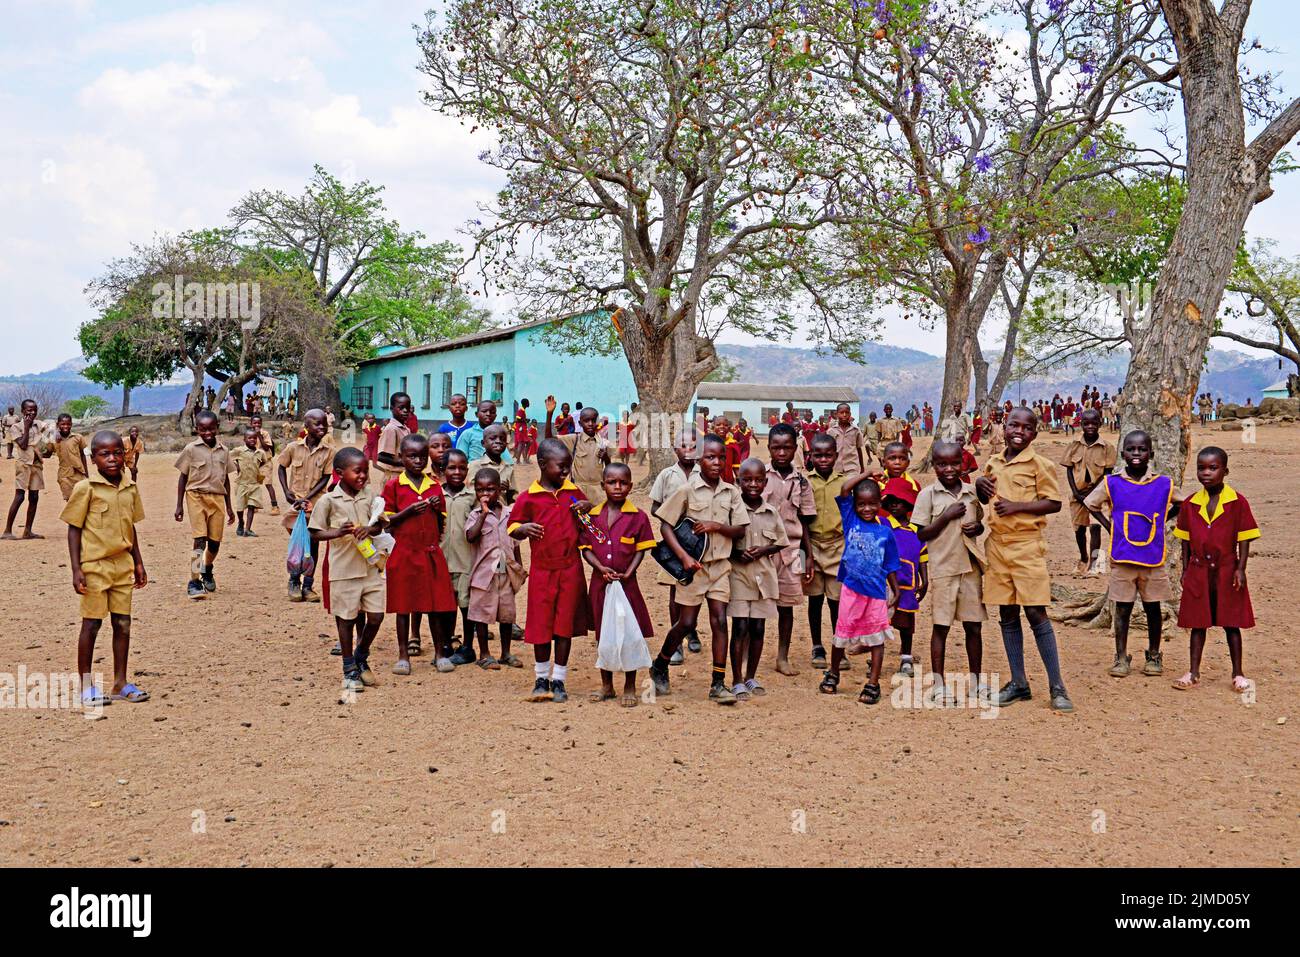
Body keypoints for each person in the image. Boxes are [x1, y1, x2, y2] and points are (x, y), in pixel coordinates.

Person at [975, 407, 1073, 712]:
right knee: (1007, 613)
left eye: (1026, 428)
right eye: (1013, 425)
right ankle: (1019, 682)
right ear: (1004, 428)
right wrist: (979, 486)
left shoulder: (1039, 464)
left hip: (1027, 546)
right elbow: (985, 498)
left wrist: (1018, 507)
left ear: (1035, 433)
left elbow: (1054, 503)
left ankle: (1057, 686)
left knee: (1035, 613)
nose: (1019, 431)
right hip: (997, 547)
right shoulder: (992, 462)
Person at [648, 433, 749, 705]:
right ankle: (660, 663)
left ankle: (718, 682)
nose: (715, 462)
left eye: (720, 458)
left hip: (720, 568)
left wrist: (717, 526)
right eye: (709, 457)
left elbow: (740, 529)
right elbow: (665, 524)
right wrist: (682, 557)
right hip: (694, 569)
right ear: (699, 460)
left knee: (719, 620)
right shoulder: (686, 490)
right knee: (687, 623)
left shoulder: (731, 492)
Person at [1083, 430, 1181, 679]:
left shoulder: (1164, 484)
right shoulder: (1112, 483)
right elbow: (1090, 504)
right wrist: (1109, 526)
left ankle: (1155, 654)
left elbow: (1184, 502)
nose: (1136, 454)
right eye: (1131, 449)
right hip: (1122, 558)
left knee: (1153, 608)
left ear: (1151, 453)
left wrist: (1163, 522)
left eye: (1142, 449)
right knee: (1123, 608)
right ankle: (1120, 655)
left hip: (1153, 558)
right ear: (1123, 453)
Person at [62, 430, 149, 705]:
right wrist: (77, 569)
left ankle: (120, 682)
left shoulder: (129, 486)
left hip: (123, 565)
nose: (112, 459)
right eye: (104, 454)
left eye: (117, 453)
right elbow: (74, 529)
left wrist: (138, 561)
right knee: (92, 624)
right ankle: (86, 686)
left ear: (124, 456)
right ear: (94, 458)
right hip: (95, 566)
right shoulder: (85, 488)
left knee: (122, 623)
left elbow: (130, 526)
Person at [508, 438, 592, 703]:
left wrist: (587, 508)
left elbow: (589, 523)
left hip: (570, 569)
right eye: (561, 467)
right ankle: (541, 677)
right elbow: (513, 526)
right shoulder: (529, 497)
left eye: (568, 467)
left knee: (563, 626)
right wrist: (523, 529)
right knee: (542, 625)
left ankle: (560, 679)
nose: (566, 472)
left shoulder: (574, 493)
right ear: (543, 465)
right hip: (543, 572)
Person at [1171, 447, 1258, 693]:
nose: (1206, 473)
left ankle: (1238, 673)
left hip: (1227, 569)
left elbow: (1244, 538)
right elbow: (1185, 541)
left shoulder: (1237, 502)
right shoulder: (1190, 504)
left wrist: (1241, 569)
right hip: (1198, 569)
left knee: (1232, 623)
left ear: (1225, 471)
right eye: (1201, 468)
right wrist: (1186, 569)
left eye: (1213, 468)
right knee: (1198, 623)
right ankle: (1193, 671)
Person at [914, 440, 987, 703]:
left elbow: (979, 523)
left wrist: (977, 528)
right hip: (943, 569)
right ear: (934, 466)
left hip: (970, 569)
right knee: (941, 627)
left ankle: (976, 682)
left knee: (974, 627)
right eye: (942, 464)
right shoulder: (928, 496)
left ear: (963, 464)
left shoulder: (971, 493)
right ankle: (938, 684)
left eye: (954, 463)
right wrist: (945, 516)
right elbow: (920, 533)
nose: (949, 469)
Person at [818, 475, 900, 705]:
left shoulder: (885, 532)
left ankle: (873, 683)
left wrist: (896, 589)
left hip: (875, 592)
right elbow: (845, 489)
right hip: (851, 590)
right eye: (861, 504)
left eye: (872, 503)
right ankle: (833, 672)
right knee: (841, 633)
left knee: (876, 638)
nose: (867, 508)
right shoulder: (850, 520)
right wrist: (867, 474)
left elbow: (891, 563)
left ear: (880, 503)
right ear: (854, 506)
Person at [310, 447, 387, 692]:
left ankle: (361, 655)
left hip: (370, 567)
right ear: (340, 473)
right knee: (346, 618)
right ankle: (349, 667)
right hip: (343, 570)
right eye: (358, 472)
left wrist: (369, 529)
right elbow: (316, 532)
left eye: (366, 471)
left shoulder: (368, 495)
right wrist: (338, 532)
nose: (363, 476)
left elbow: (380, 524)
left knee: (376, 616)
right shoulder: (328, 500)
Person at [580, 462, 656, 706]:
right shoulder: (592, 517)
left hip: (627, 585)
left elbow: (639, 551)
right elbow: (586, 550)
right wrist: (600, 568)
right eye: (612, 482)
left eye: (623, 482)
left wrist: (628, 573)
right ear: (603, 485)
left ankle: (630, 686)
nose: (617, 487)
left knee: (630, 633)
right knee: (605, 635)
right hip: (601, 585)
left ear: (631, 486)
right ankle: (607, 685)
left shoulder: (638, 517)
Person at [383, 434, 458, 675]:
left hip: (429, 552)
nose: (417, 461)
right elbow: (386, 521)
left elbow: (441, 522)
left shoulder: (434, 485)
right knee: (403, 606)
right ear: (401, 458)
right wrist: (408, 511)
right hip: (404, 552)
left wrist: (435, 508)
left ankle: (439, 653)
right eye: (412, 456)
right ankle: (403, 654)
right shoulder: (394, 485)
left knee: (436, 606)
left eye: (422, 457)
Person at [728, 457, 789, 700]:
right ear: (738, 481)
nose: (753, 484)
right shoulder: (732, 510)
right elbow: (723, 540)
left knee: (758, 627)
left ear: (765, 482)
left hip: (764, 579)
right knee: (740, 627)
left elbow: (780, 542)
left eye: (758, 480)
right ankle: (736, 679)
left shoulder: (771, 512)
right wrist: (736, 553)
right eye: (747, 480)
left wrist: (763, 550)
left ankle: (751, 676)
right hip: (739, 576)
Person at [762, 423, 816, 677]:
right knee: (757, 605)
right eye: (776, 447)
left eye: (787, 447)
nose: (781, 452)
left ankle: (782, 656)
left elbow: (805, 522)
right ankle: (753, 653)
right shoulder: (759, 475)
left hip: (793, 551)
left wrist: (809, 558)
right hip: (762, 551)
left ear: (795, 448)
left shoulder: (803, 482)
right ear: (769, 448)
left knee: (788, 605)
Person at [465, 467, 525, 671]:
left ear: (499, 490)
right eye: (480, 490)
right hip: (484, 575)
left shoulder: (510, 514)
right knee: (481, 615)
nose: (485, 494)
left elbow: (515, 543)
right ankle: (484, 654)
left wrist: (519, 568)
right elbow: (471, 536)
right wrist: (483, 514)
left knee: (507, 615)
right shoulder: (474, 515)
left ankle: (506, 653)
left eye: (490, 489)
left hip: (505, 573)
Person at [173, 409, 236, 599]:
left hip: (217, 499)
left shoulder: (224, 451)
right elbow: (182, 477)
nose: (207, 433)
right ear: (197, 429)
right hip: (195, 496)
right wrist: (179, 505)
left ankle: (207, 568)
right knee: (199, 540)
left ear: (217, 428)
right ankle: (194, 580)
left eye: (211, 429)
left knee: (215, 544)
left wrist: (230, 507)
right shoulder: (191, 449)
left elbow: (225, 480)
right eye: (203, 429)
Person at [650, 429, 700, 665]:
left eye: (693, 445)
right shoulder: (667, 475)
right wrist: (675, 522)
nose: (688, 450)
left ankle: (691, 630)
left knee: (698, 589)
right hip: (674, 541)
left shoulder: (705, 473)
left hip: (701, 543)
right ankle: (676, 641)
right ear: (674, 448)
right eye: (683, 445)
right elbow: (655, 508)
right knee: (675, 590)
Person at [277, 409, 334, 602]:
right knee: (299, 544)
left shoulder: (329, 452)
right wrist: (286, 491)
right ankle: (294, 581)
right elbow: (281, 467)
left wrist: (308, 497)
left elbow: (326, 477)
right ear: (306, 426)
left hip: (315, 504)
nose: (322, 427)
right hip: (295, 504)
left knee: (314, 544)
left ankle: (308, 585)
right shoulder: (294, 447)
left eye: (324, 424)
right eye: (317, 424)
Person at [803, 431, 846, 670]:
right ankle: (817, 645)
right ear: (810, 456)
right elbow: (803, 520)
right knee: (815, 600)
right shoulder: (805, 482)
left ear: (836, 455)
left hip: (838, 546)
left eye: (828, 455)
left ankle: (838, 644)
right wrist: (807, 555)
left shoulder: (844, 482)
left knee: (836, 601)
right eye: (817, 455)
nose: (823, 460)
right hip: (813, 546)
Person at [881, 477, 928, 679]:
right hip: (885, 583)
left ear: (908, 504)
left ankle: (906, 656)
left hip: (909, 583)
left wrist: (924, 580)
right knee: (881, 620)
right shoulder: (883, 525)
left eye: (898, 501)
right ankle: (877, 657)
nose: (894, 505)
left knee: (906, 622)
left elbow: (923, 556)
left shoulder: (917, 529)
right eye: (890, 501)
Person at [1062, 407, 1116, 575]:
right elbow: (1069, 470)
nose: (1090, 426)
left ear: (1100, 424)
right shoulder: (1074, 445)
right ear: (1081, 424)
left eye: (1094, 423)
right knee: (1079, 528)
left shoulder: (1107, 447)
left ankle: (1095, 563)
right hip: (1077, 495)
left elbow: (1107, 473)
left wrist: (1093, 492)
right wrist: (1076, 493)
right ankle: (1083, 558)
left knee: (1095, 527)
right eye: (1086, 423)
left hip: (1098, 495)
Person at [438, 449, 476, 668]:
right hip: (441, 562)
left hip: (465, 561)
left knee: (466, 606)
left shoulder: (472, 497)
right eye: (452, 467)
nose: (457, 472)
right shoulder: (436, 495)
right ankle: (444, 644)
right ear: (443, 470)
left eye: (462, 468)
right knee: (445, 607)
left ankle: (468, 646)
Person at [545, 396, 608, 503]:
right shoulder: (574, 440)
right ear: (580, 423)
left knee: (598, 519)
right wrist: (549, 414)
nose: (590, 424)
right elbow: (549, 440)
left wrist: (606, 458)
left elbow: (609, 470)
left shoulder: (604, 443)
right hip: (578, 492)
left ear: (598, 422)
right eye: (586, 421)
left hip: (599, 493)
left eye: (593, 420)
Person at [3, 399, 47, 539]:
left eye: (34, 410)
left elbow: (49, 431)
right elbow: (22, 445)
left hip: (36, 465)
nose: (32, 412)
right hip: (23, 465)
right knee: (20, 496)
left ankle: (28, 531)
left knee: (34, 497)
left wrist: (54, 433)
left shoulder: (39, 424)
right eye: (29, 410)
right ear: (22, 411)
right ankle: (7, 531)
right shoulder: (16, 427)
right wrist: (26, 427)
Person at [231, 427, 270, 537]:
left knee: (252, 506)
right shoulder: (239, 451)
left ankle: (247, 529)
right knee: (240, 507)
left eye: (254, 438)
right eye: (249, 438)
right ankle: (241, 522)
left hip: (254, 484)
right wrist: (237, 466)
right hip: (241, 484)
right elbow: (228, 458)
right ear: (244, 439)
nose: (252, 440)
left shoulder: (260, 453)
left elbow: (263, 462)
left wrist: (256, 468)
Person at [467, 423, 516, 503]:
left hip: (502, 513)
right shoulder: (475, 466)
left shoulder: (509, 468)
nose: (498, 441)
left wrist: (508, 490)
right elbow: (470, 495)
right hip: (480, 513)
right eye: (493, 438)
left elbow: (514, 498)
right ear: (483, 443)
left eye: (502, 439)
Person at [375, 392, 413, 485]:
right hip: (394, 476)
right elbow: (381, 457)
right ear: (392, 408)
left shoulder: (405, 428)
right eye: (401, 408)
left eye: (407, 408)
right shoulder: (391, 428)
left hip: (404, 474)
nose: (405, 411)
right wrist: (406, 462)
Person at [455, 399, 506, 464]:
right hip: (473, 471)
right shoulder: (468, 434)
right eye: (484, 411)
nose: (488, 414)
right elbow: (460, 458)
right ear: (477, 414)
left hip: (495, 470)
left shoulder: (499, 435)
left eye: (492, 412)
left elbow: (506, 459)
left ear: (495, 416)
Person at [248, 414, 281, 515]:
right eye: (255, 423)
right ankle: (254, 505)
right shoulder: (249, 434)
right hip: (255, 463)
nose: (257, 425)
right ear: (251, 424)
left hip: (266, 463)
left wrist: (259, 436)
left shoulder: (265, 434)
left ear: (261, 424)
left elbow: (267, 448)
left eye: (258, 423)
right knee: (254, 485)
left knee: (268, 484)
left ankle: (275, 506)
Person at [53, 413, 88, 502]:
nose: (66, 426)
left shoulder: (78, 437)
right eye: (63, 424)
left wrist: (86, 472)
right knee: (70, 501)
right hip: (64, 475)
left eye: (68, 424)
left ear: (71, 424)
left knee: (83, 499)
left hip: (79, 473)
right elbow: (47, 452)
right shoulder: (54, 439)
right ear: (58, 425)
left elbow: (83, 454)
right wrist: (55, 433)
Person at [826, 401, 868, 476]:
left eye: (847, 412)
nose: (844, 415)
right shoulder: (831, 431)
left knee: (850, 486)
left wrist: (862, 467)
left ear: (850, 414)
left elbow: (859, 449)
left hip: (852, 468)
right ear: (837, 414)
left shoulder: (856, 430)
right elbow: (827, 450)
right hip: (836, 467)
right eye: (841, 413)